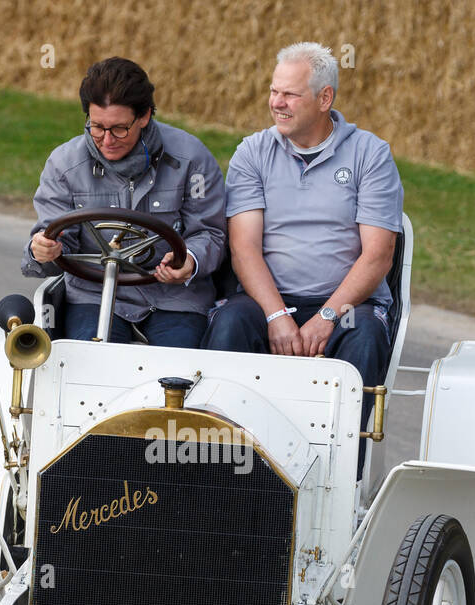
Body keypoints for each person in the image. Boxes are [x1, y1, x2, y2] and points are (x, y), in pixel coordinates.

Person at [203, 42, 402, 449]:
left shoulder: (370, 155)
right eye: (274, 91)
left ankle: (344, 473)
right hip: (267, 302)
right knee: (229, 325)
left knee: (363, 336)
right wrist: (276, 315)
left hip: (346, 306)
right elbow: (244, 250)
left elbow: (378, 255)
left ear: (324, 98)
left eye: (290, 94)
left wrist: (328, 315)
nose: (277, 103)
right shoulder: (253, 152)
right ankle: (221, 464)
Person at [22, 57, 226, 347]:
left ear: (144, 117)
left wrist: (189, 261)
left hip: (174, 298)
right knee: (88, 367)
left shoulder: (191, 158)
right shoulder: (63, 165)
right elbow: (54, 238)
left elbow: (211, 234)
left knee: (179, 376)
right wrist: (44, 249)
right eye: (96, 127)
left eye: (119, 129)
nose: (106, 140)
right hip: (93, 296)